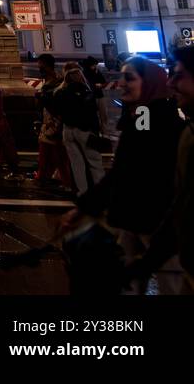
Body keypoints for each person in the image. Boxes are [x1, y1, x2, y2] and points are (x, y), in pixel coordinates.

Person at [59, 56, 183, 293]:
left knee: (169, 281)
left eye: (130, 78)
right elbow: (124, 170)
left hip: (156, 220)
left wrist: (86, 207)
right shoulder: (143, 113)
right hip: (134, 217)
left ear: (150, 84)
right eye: (122, 76)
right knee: (127, 277)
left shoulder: (151, 118)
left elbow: (128, 171)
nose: (122, 82)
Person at [136, 46, 194, 292]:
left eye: (131, 78)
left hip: (151, 204)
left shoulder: (147, 110)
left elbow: (140, 144)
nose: (172, 82)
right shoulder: (179, 122)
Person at [55, 63, 105, 195]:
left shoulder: (59, 92)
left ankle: (82, 193)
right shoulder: (88, 90)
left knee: (76, 164)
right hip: (85, 130)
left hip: (68, 130)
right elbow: (98, 111)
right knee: (94, 162)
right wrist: (102, 128)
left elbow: (58, 113)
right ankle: (100, 193)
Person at [34, 54, 72, 190]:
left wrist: (43, 98)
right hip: (48, 121)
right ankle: (45, 175)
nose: (39, 68)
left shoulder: (57, 83)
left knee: (57, 153)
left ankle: (65, 180)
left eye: (41, 65)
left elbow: (56, 104)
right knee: (47, 151)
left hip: (55, 121)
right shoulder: (52, 81)